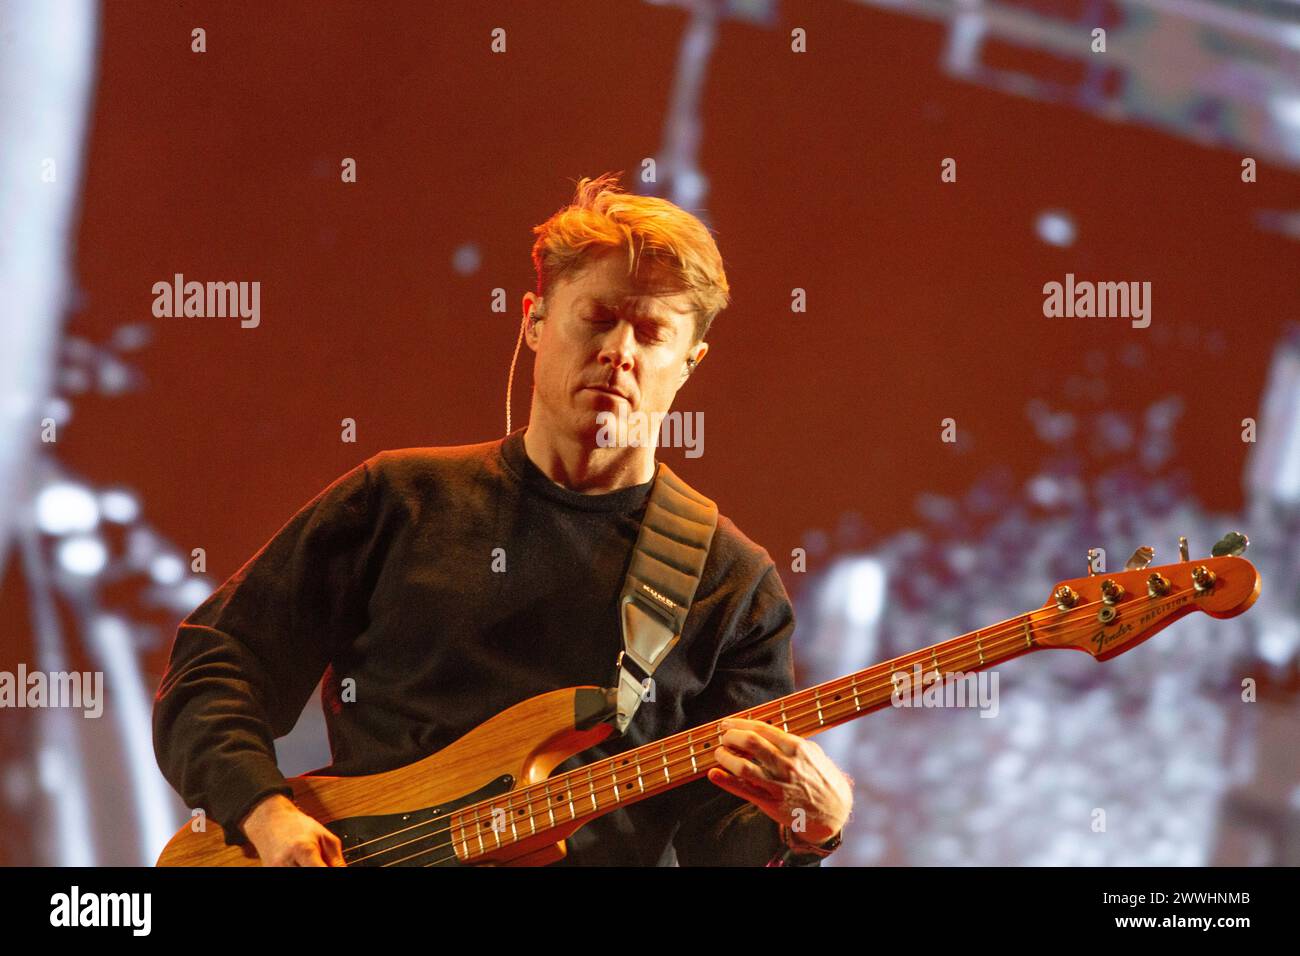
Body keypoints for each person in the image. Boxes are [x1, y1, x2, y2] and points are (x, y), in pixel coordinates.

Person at [152, 173, 853, 866]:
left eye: (651, 332)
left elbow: (726, 846)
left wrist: (807, 830)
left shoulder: (731, 584)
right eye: (599, 316)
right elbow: (215, 668)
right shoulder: (400, 499)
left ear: (689, 364)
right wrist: (267, 816)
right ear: (535, 321)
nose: (619, 351)